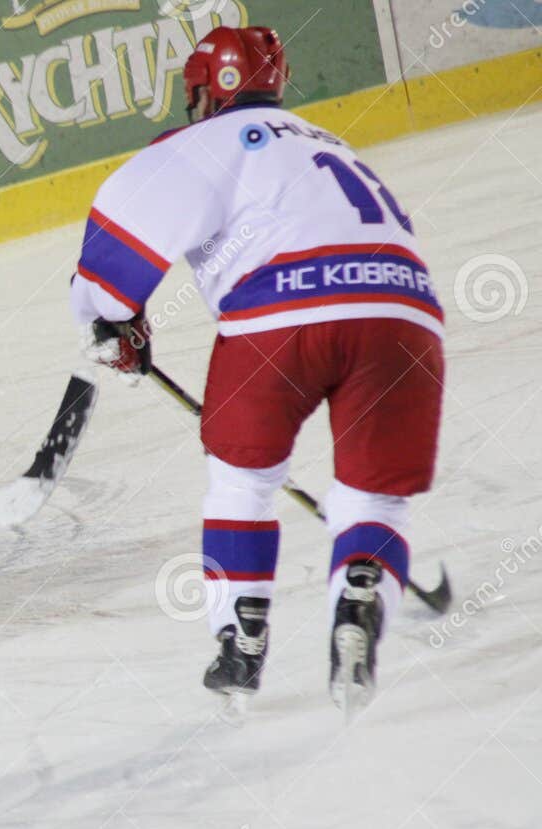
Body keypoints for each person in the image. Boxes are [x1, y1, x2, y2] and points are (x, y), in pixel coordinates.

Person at [68, 26, 444, 710]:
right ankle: (359, 590)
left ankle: (240, 638)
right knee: (375, 496)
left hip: (278, 323)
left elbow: (113, 264)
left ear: (210, 90)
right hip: (406, 318)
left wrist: (113, 322)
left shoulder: (201, 143)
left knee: (241, 484)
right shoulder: (327, 142)